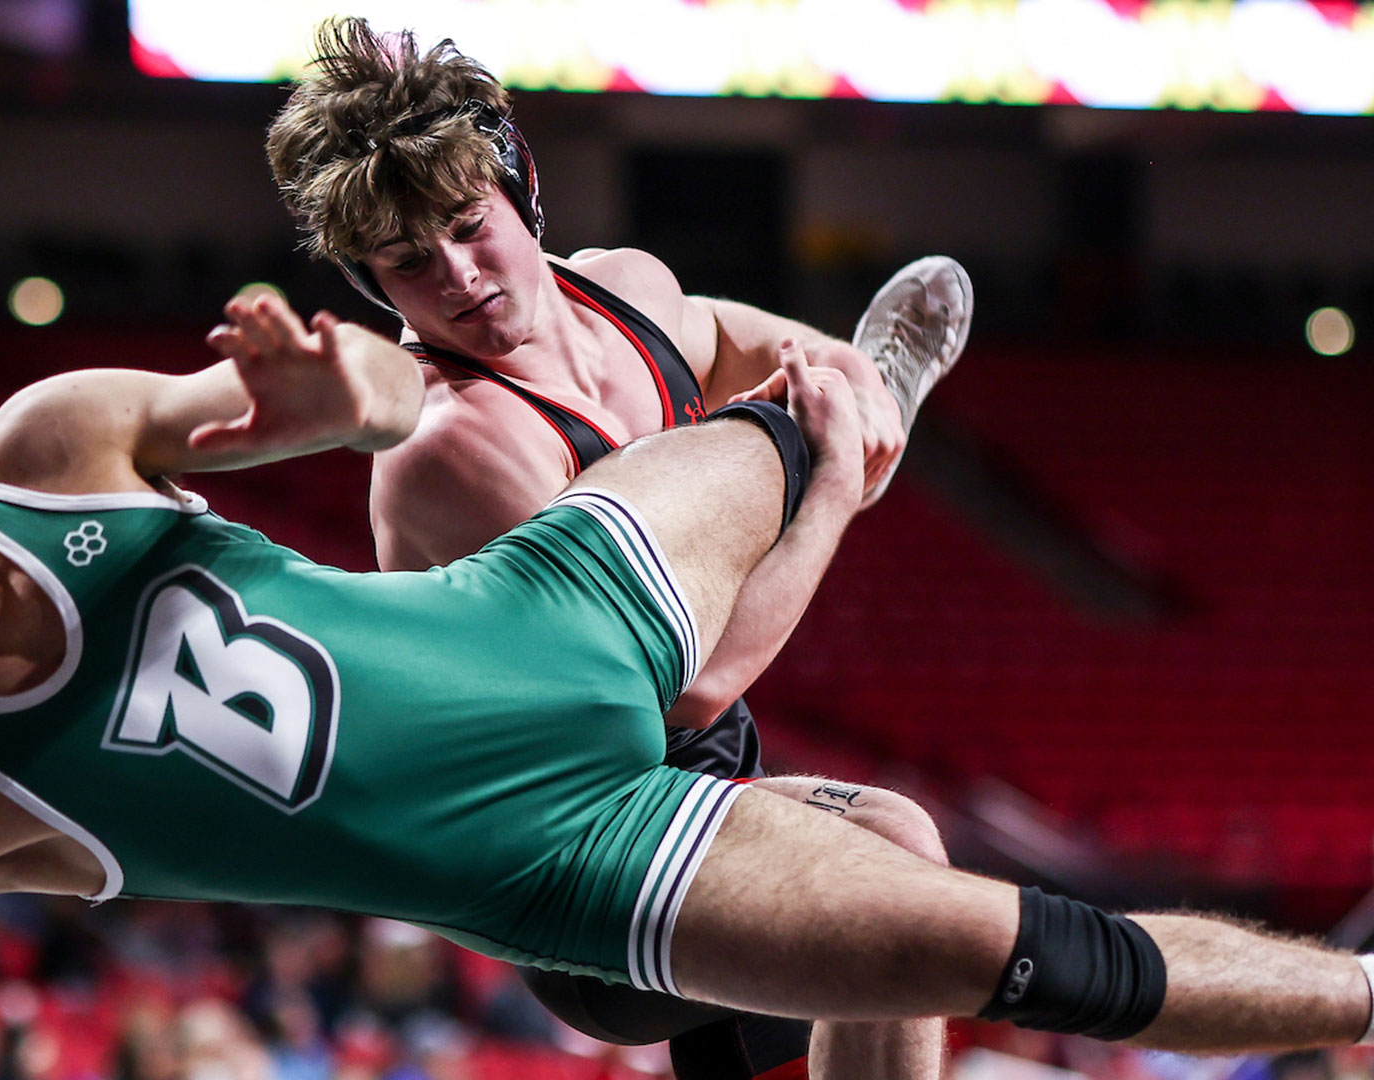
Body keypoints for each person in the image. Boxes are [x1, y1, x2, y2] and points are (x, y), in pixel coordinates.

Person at [0, 293, 1374, 1080]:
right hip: (569, 849)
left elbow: (348, 405)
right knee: (1001, 945)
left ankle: (870, 410)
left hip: (553, 604)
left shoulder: (47, 447)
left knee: (800, 407)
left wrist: (314, 387)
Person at [262, 17, 969, 1079]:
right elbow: (689, 687)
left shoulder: (624, 287)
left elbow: (730, 333)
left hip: (690, 784)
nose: (458, 276)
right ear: (372, 286)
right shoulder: (451, 447)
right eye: (410, 263)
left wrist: (844, 375)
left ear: (520, 191)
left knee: (810, 1003)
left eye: (468, 224)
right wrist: (825, 487)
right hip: (570, 847)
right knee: (892, 851)